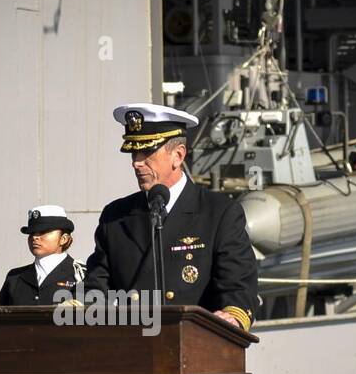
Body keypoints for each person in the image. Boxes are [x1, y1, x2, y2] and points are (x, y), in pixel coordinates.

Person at [83, 103, 257, 331]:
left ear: (178, 155)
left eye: (147, 152)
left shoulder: (219, 213)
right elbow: (98, 285)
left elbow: (237, 286)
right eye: (134, 152)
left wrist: (232, 316)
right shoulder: (115, 217)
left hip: (194, 345)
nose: (137, 162)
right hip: (129, 347)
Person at [0, 205, 84, 305]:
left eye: (43, 232)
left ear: (64, 239)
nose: (35, 237)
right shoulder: (15, 277)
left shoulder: (81, 275)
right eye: (32, 233)